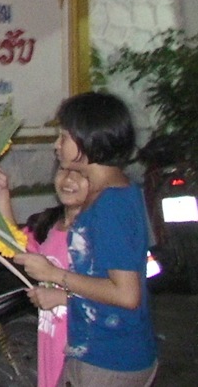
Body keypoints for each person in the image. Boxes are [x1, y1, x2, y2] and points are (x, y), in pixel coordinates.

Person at [15, 92, 158, 387]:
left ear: (88, 140)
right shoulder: (108, 195)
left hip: (111, 360)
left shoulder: (109, 207)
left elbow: (126, 295)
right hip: (96, 352)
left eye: (64, 137)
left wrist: (55, 275)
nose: (57, 145)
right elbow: (98, 279)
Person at [0, 162, 90, 387]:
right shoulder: (51, 230)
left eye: (80, 173)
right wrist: (2, 193)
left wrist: (61, 297)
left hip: (82, 353)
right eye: (64, 170)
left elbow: (114, 295)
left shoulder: (94, 235)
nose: (69, 179)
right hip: (50, 346)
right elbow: (15, 245)